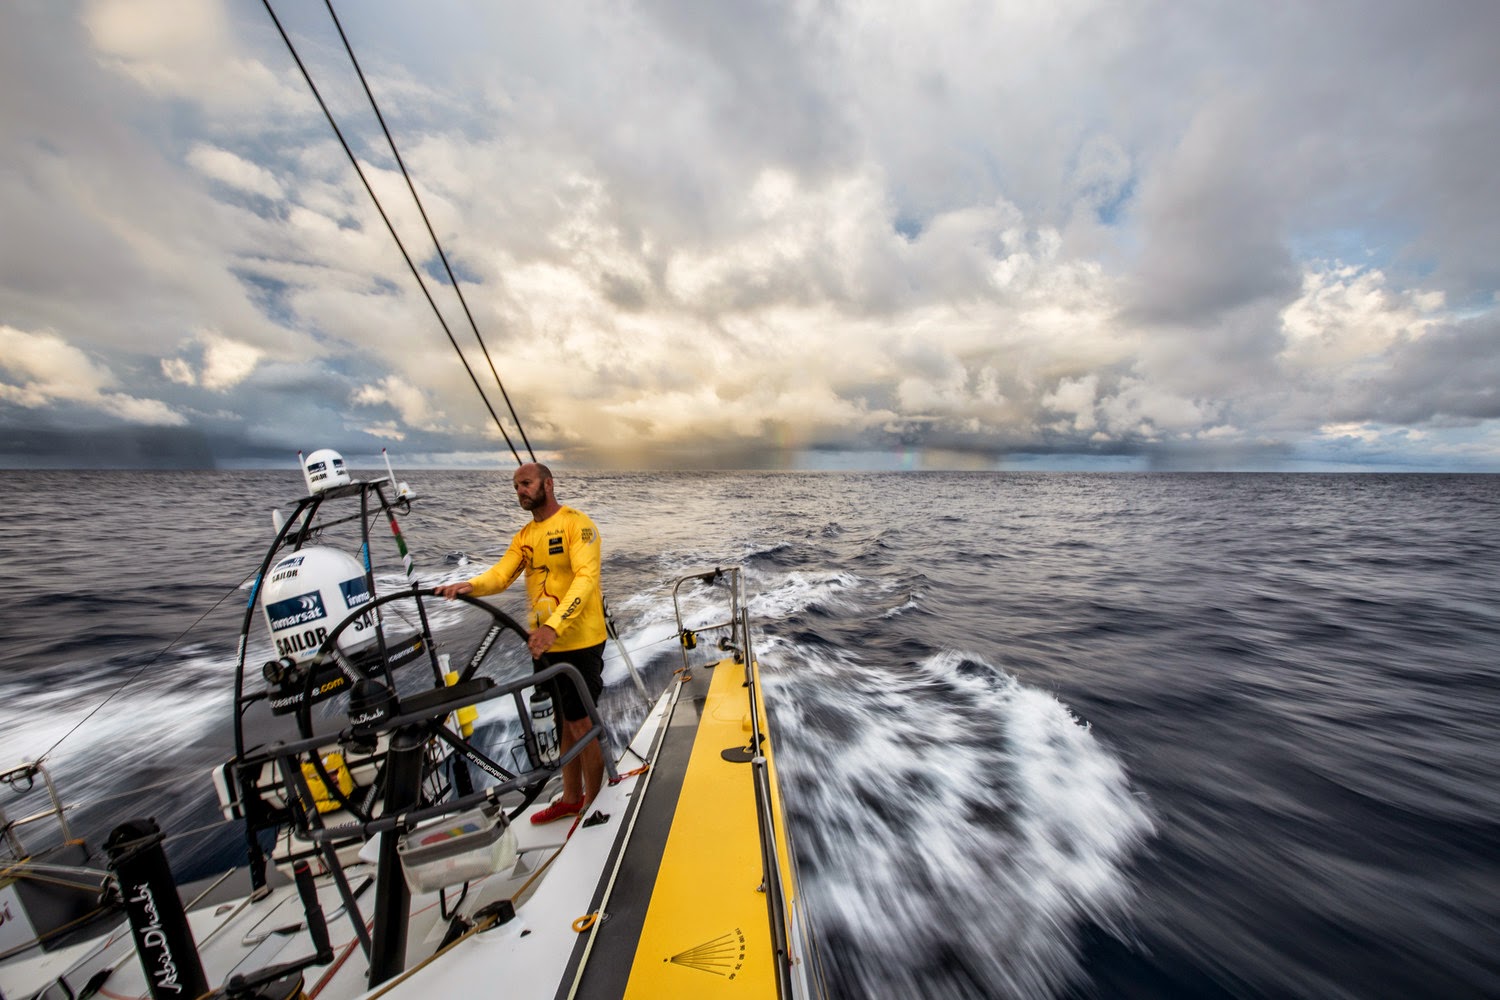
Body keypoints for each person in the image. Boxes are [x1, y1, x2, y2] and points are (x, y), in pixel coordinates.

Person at [434, 463, 607, 824]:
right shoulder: (525, 536)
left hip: (578, 641)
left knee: (581, 724)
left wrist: (554, 627)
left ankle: (595, 805)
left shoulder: (579, 524)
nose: (520, 492)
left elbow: (586, 580)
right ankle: (572, 797)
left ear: (548, 483)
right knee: (561, 722)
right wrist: (470, 585)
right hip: (544, 646)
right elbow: (501, 575)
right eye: (516, 487)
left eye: (526, 484)